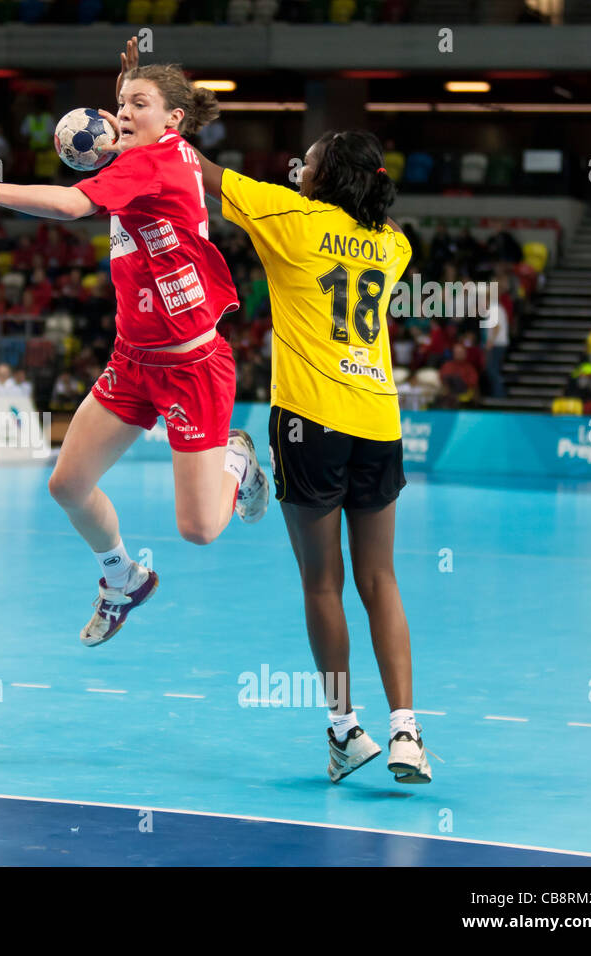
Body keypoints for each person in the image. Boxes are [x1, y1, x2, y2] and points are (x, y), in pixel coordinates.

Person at [0, 55, 268, 651]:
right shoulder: (147, 150)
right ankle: (122, 579)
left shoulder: (156, 163)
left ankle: (236, 459)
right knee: (67, 484)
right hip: (133, 360)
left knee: (201, 529)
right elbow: (137, 130)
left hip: (192, 366)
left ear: (174, 120)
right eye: (121, 104)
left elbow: (71, 206)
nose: (123, 114)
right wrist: (130, 91)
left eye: (138, 106)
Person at [180, 67, 429, 783]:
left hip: (310, 424)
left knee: (323, 584)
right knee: (381, 578)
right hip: (378, 419)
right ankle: (407, 733)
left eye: (308, 159)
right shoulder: (394, 245)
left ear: (326, 176)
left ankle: (344, 730)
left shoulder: (290, 218)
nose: (298, 165)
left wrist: (145, 107)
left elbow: (194, 169)